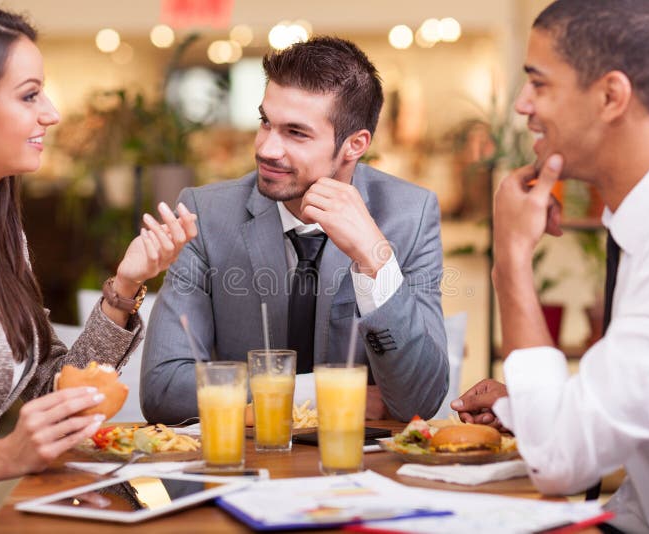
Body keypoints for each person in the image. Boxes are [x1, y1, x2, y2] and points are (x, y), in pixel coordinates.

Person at [0, 4, 197, 533]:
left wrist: (125, 286)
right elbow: (10, 448)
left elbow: (52, 390)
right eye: (29, 95)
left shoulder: (0, 236)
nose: (50, 113)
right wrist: (1, 458)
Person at [452, 0, 649, 531]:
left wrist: (510, 260)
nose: (522, 107)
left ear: (610, 96)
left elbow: (559, 460)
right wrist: (528, 406)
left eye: (539, 84)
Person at [142, 36, 448, 423]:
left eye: (296, 133)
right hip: (244, 467)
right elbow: (164, 390)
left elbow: (419, 401)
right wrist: (323, 394)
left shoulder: (410, 215)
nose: (267, 149)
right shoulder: (206, 213)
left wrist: (373, 257)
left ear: (354, 145)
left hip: (363, 473)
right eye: (266, 122)